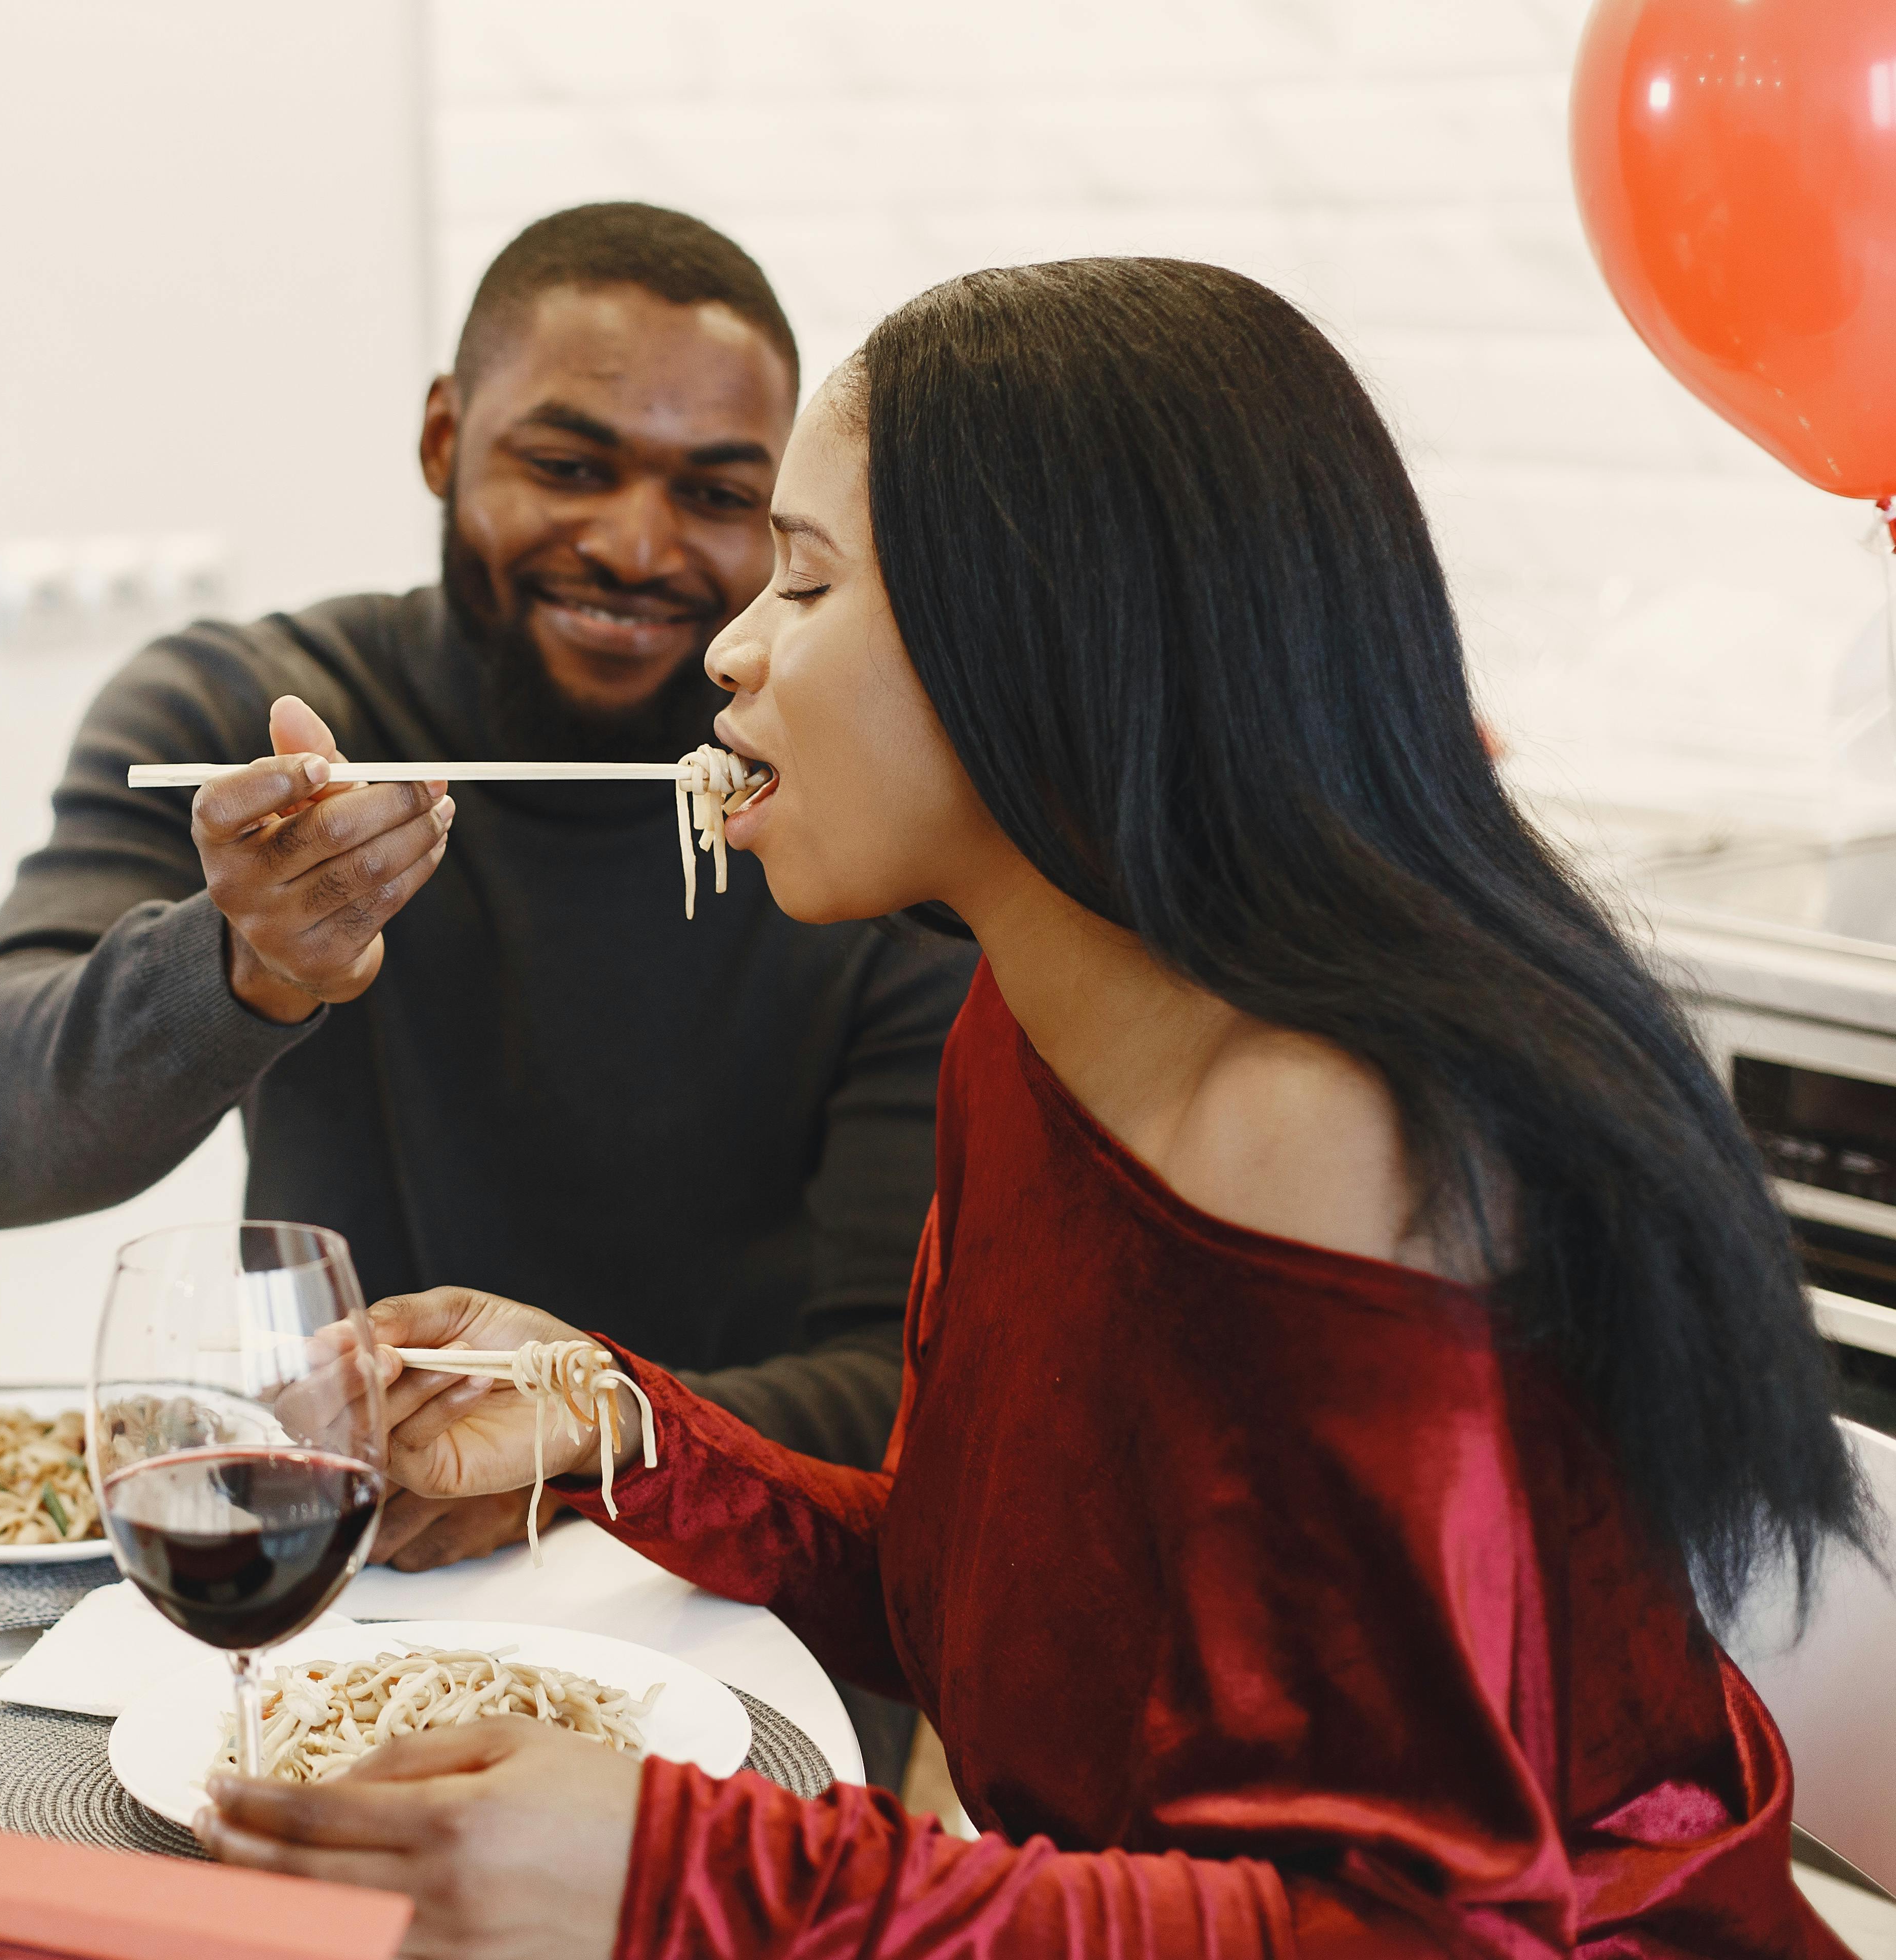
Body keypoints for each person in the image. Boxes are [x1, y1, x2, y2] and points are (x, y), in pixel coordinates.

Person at [192, 258, 1872, 1960]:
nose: (732, 646)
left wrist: (697, 1881)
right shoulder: (1027, 1021)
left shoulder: (1338, 1134)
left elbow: (1419, 1930)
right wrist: (617, 1432)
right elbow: (1004, 1615)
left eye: (806, 579)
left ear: (1045, 629)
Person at [0, 204, 976, 1578]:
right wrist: (247, 963)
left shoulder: (858, 820)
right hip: (340, 1562)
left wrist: (578, 1443)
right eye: (566, 464)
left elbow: (895, 1387)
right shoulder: (251, 713)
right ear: (443, 439)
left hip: (730, 1580)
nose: (638, 545)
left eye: (718, 497)